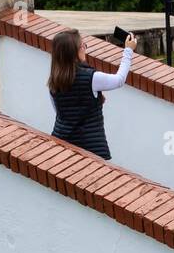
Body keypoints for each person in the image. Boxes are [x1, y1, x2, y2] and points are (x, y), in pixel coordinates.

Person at [47, 28, 136, 160]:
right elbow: (119, 80)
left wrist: (94, 98)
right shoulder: (92, 78)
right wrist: (128, 50)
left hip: (62, 148)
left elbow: (62, 113)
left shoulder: (53, 81)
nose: (84, 48)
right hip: (91, 149)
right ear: (74, 52)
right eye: (82, 46)